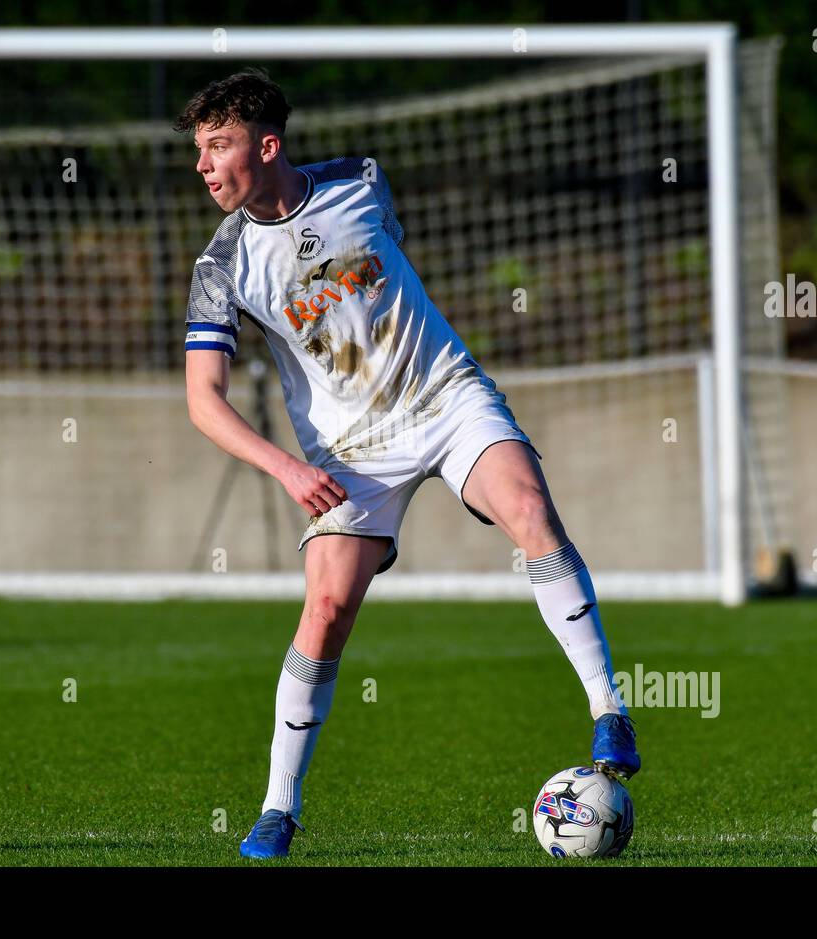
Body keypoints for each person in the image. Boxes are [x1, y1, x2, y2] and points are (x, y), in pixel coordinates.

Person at [176, 68, 639, 860]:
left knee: (528, 508)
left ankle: (609, 709)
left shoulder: (361, 182)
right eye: (199, 151)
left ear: (269, 144)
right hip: (345, 453)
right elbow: (203, 399)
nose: (204, 166)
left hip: (444, 397)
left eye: (219, 146)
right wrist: (289, 471)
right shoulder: (222, 268)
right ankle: (277, 809)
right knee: (326, 611)